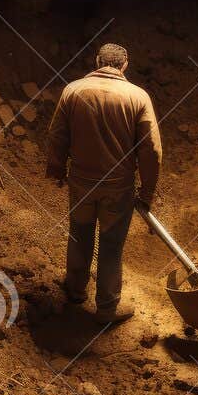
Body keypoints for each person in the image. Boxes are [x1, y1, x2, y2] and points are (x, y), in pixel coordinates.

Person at [45, 43, 162, 324]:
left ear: (97, 61)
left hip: (81, 183)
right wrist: (146, 191)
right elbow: (151, 151)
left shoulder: (72, 91)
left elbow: (57, 135)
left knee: (79, 235)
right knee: (111, 245)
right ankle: (107, 308)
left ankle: (74, 292)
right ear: (124, 66)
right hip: (117, 188)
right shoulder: (138, 96)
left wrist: (58, 170)